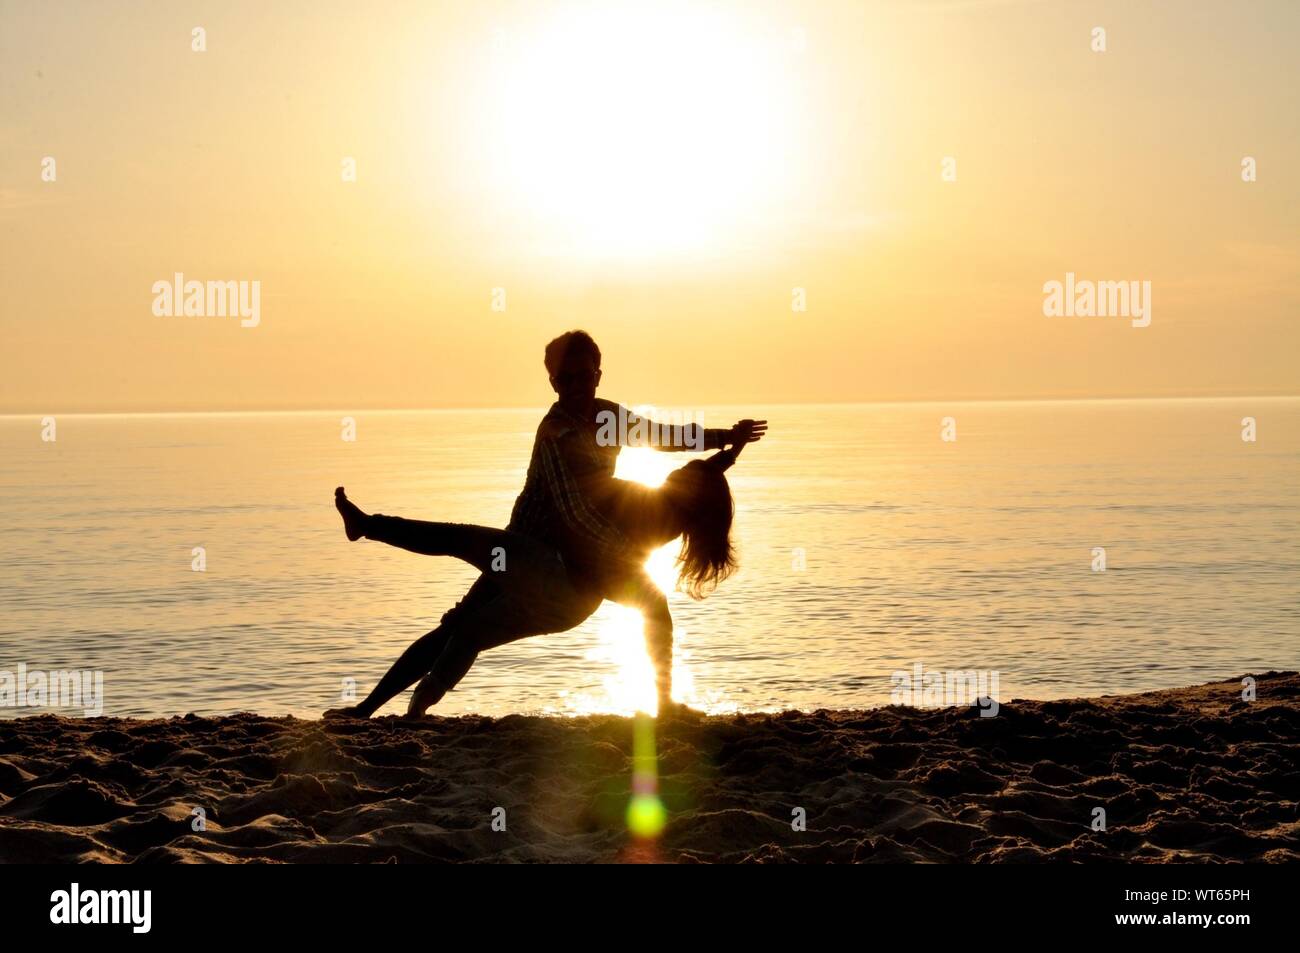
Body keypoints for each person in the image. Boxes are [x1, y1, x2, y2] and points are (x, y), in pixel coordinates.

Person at [325, 331, 767, 718]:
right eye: (564, 378)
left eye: (583, 375)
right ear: (553, 381)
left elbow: (663, 437)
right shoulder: (556, 430)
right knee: (456, 619)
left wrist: (727, 438)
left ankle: (664, 705)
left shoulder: (608, 418)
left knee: (471, 624)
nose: (575, 385)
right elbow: (574, 508)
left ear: (598, 374)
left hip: (566, 564)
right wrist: (626, 554)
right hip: (527, 546)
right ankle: (367, 706)